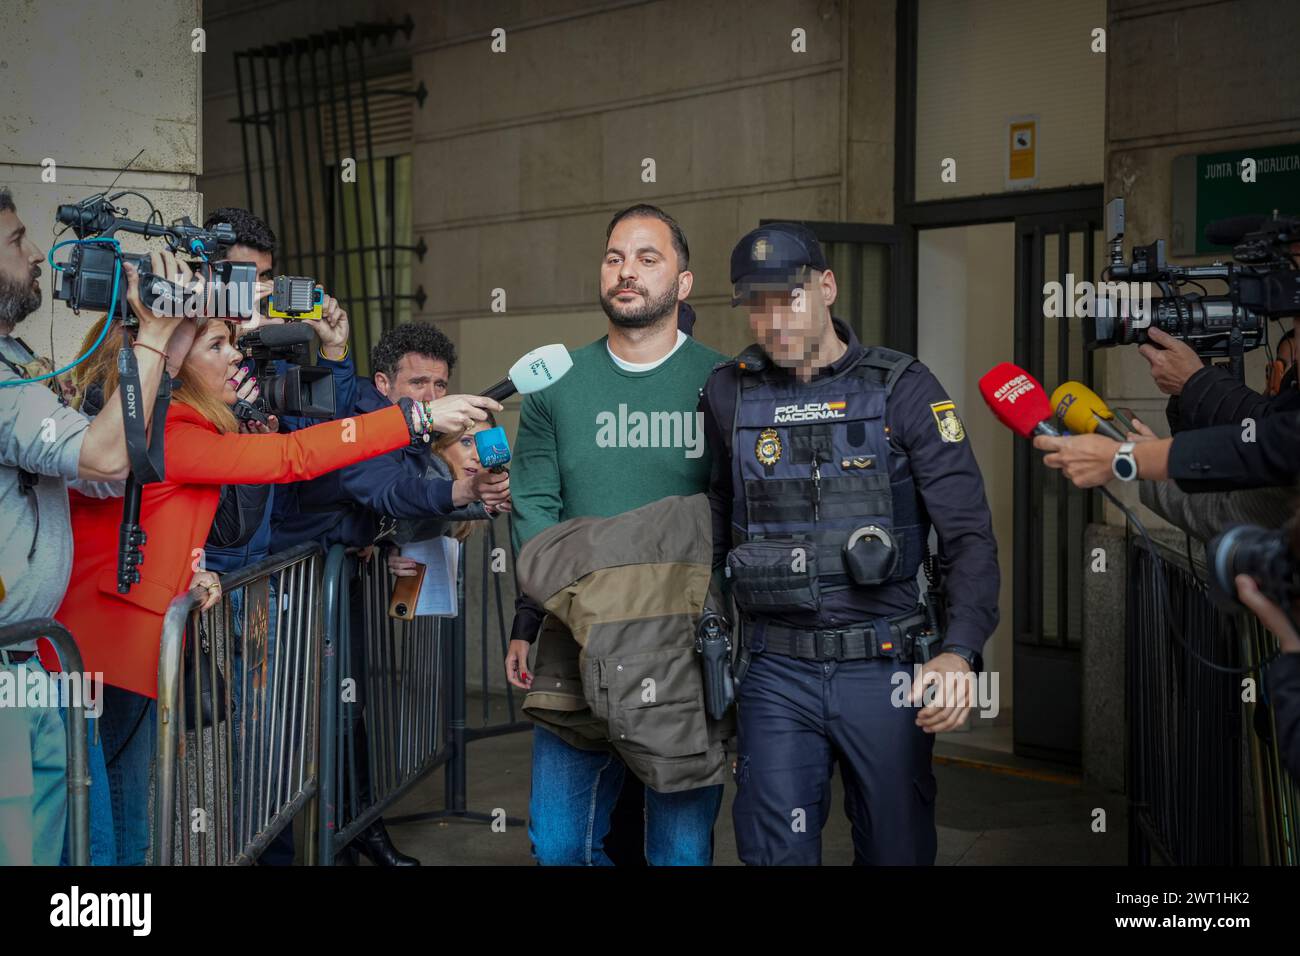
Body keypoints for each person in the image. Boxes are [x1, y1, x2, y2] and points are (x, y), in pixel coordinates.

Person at [54, 305, 500, 865]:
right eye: (217, 346)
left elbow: (151, 516)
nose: (237, 355)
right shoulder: (169, 430)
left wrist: (194, 568)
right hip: (100, 643)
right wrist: (414, 420)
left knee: (128, 810)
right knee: (95, 824)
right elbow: (295, 456)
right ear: (171, 362)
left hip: (132, 640)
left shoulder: (183, 426)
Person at [699, 222, 1000, 865]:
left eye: (789, 296)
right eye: (756, 303)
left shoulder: (905, 388)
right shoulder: (728, 393)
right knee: (775, 857)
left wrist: (960, 651)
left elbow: (968, 533)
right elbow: (719, 516)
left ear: (827, 286)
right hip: (775, 671)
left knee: (898, 853)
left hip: (885, 667)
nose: (772, 318)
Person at [506, 203, 727, 866]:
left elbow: (735, 517)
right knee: (559, 845)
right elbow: (534, 512)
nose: (626, 270)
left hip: (685, 651)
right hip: (576, 640)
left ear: (683, 284)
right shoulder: (554, 386)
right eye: (614, 257)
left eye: (647, 257)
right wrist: (543, 614)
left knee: (680, 855)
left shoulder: (725, 384)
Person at [273, 320, 508, 865]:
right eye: (417, 384)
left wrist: (376, 546)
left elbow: (372, 506)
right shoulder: (361, 418)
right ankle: (297, 851)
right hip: (287, 587)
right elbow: (387, 490)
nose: (431, 397)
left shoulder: (409, 429)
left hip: (334, 578)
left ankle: (360, 832)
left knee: (346, 711)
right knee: (286, 731)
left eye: (439, 386)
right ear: (383, 383)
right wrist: (460, 490)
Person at [0, 187, 183, 865]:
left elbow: (104, 474)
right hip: (13, 664)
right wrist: (156, 337)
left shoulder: (16, 361)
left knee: (49, 846)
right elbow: (108, 454)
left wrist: (170, 337)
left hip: (32, 661)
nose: (38, 255)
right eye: (17, 241)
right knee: (25, 848)